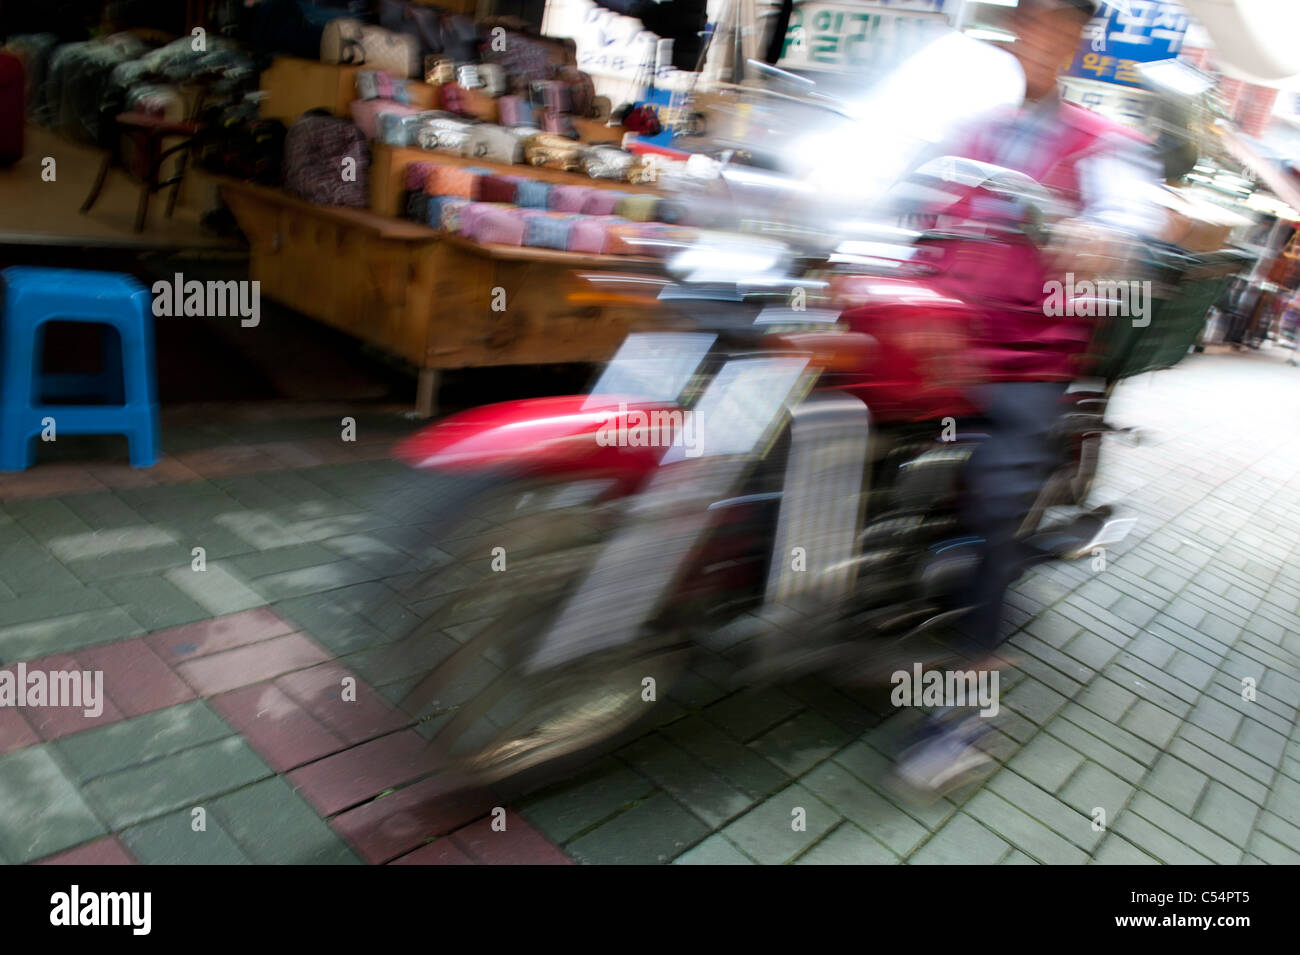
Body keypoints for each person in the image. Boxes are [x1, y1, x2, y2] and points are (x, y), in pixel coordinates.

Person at [891, 0, 1166, 799]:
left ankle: (963, 703)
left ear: (1077, 40)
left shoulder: (1103, 143)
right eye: (1028, 19)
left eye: (1057, 24)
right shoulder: (970, 125)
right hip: (932, 336)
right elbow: (906, 187)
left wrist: (1103, 235)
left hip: (1024, 359)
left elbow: (1131, 217)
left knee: (993, 501)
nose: (1038, 36)